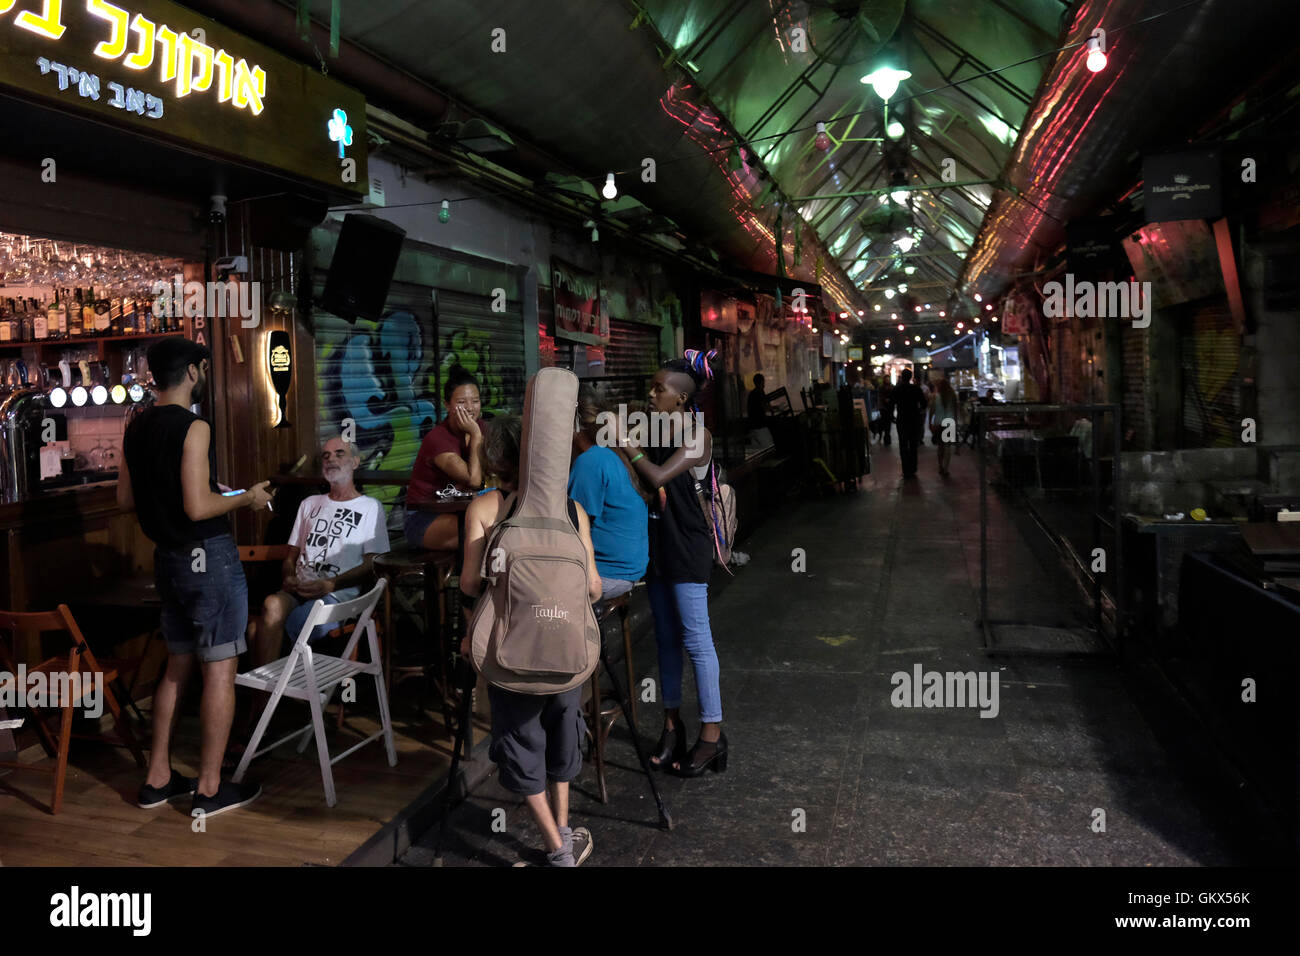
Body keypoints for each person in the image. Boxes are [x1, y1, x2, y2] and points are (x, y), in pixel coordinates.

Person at [119, 338, 271, 818]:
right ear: (191, 372)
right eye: (202, 368)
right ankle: (209, 788)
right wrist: (246, 498)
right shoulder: (194, 425)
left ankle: (157, 779)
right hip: (208, 558)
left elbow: (126, 499)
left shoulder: (136, 426)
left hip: (167, 561)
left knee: (175, 666)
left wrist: (198, 492)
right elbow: (198, 507)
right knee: (220, 671)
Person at [461, 416, 601, 867]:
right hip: (567, 650)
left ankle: (557, 851)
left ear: (493, 460)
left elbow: (469, 583)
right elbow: (593, 587)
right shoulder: (572, 510)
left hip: (510, 652)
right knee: (563, 732)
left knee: (520, 741)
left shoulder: (485, 508)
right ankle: (564, 834)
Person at [622, 350, 727, 777]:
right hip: (658, 547)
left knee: (697, 642)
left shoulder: (698, 436)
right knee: (665, 639)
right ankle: (671, 728)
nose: (650, 395)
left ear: (681, 398)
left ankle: (712, 736)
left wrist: (627, 446)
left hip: (688, 548)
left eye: (658, 389)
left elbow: (658, 476)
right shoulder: (654, 431)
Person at [249, 436, 389, 667]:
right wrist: (288, 577)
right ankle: (275, 687)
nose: (331, 459)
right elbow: (290, 557)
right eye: (326, 456)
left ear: (355, 462)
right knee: (271, 604)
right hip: (300, 588)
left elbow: (371, 563)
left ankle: (275, 686)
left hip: (336, 595)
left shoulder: (370, 507)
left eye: (339, 454)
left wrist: (331, 584)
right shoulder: (309, 503)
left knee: (263, 628)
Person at [569, 386, 649, 600]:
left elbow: (573, 526)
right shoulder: (614, 452)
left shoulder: (591, 461)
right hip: (629, 570)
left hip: (607, 573)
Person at [406, 366, 486, 550]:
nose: (470, 408)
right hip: (424, 517)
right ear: (447, 405)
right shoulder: (438, 438)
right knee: (480, 531)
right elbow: (474, 480)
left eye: (475, 401)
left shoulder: (485, 428)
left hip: (462, 511)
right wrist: (475, 435)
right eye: (462, 402)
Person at [889, 367, 927, 479]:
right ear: (911, 377)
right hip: (914, 419)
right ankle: (913, 468)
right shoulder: (916, 389)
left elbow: (891, 404)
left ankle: (906, 469)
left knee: (903, 444)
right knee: (913, 444)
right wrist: (919, 411)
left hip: (902, 419)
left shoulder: (897, 389)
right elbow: (924, 404)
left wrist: (892, 416)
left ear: (902, 377)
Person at [928, 377, 959, 477]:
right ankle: (946, 468)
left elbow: (932, 411)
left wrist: (930, 422)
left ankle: (940, 466)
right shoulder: (953, 396)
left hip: (939, 423)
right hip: (950, 422)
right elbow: (955, 411)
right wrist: (956, 423)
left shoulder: (935, 397)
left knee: (940, 446)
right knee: (947, 446)